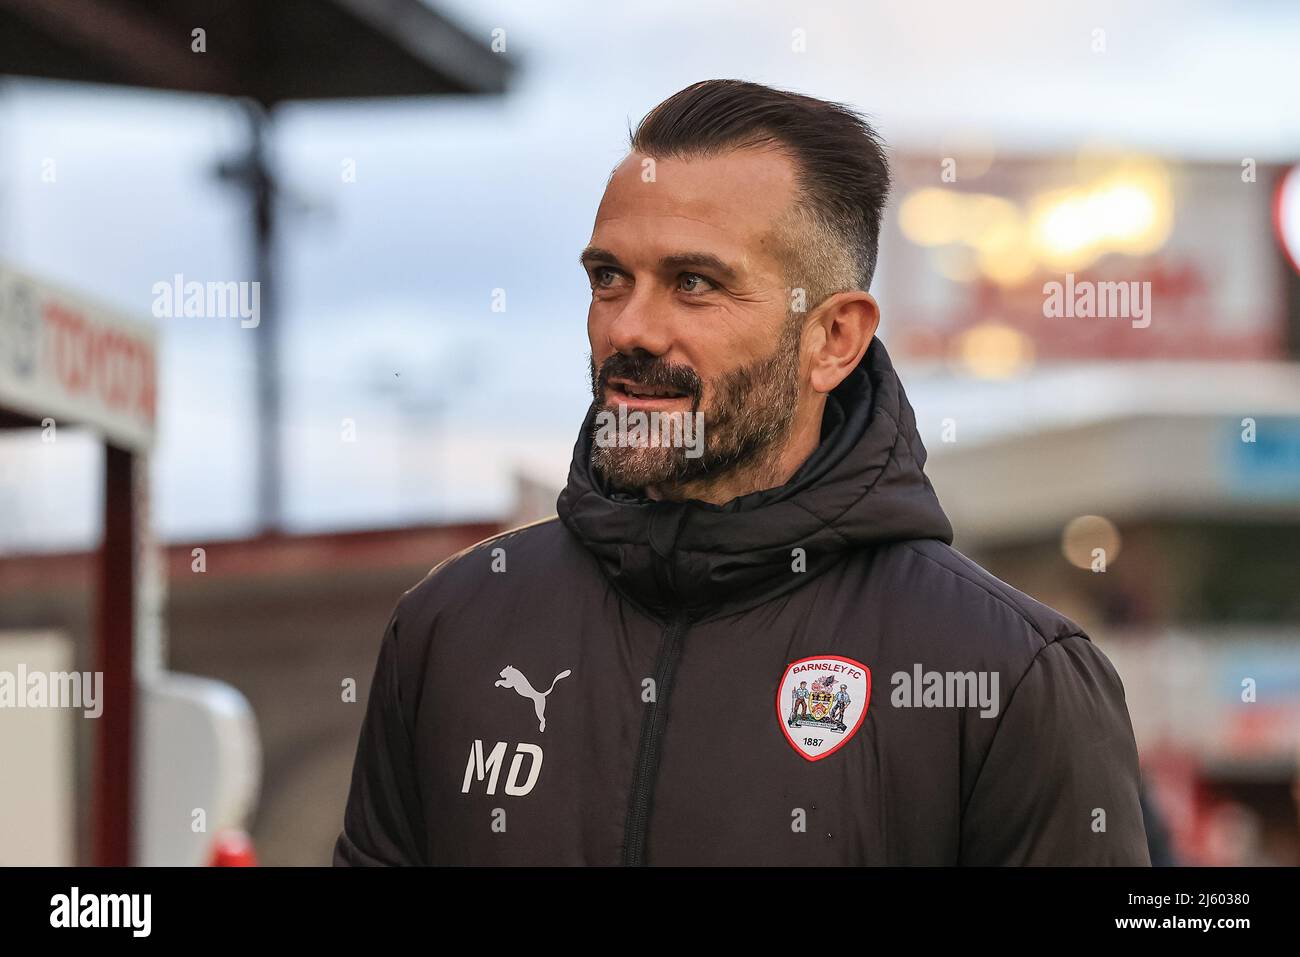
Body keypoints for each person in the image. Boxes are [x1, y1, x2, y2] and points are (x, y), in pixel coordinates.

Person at [334, 79, 1150, 866]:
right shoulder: (451, 627)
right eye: (609, 277)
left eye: (695, 283)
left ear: (833, 339)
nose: (631, 329)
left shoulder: (1008, 674)